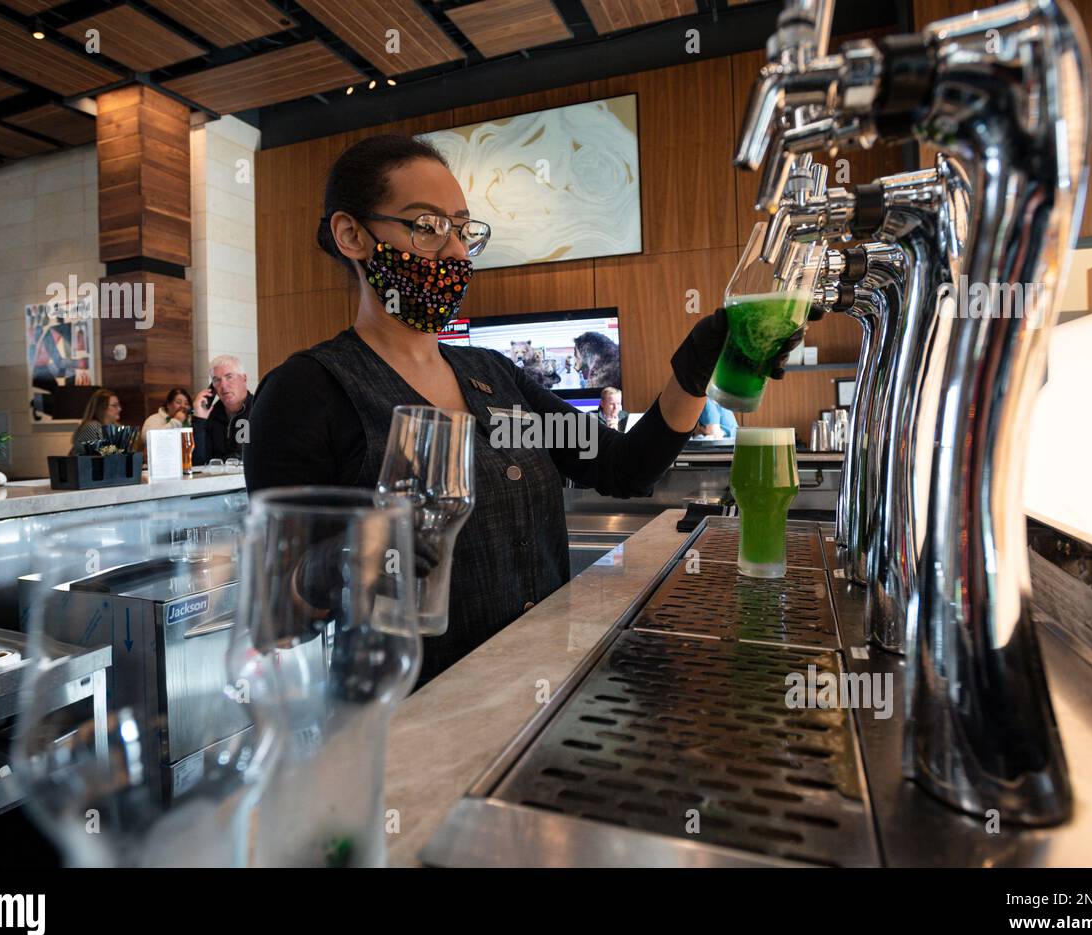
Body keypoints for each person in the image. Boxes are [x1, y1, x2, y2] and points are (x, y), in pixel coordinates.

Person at [244, 133, 803, 684]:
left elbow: (627, 468)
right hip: (408, 725)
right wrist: (339, 562)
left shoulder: (495, 376)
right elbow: (276, 619)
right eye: (428, 227)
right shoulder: (306, 391)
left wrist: (696, 365)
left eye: (462, 230)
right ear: (352, 235)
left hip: (537, 701)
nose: (457, 253)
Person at [192, 356, 253, 464]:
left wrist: (215, 462)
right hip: (215, 480)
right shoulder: (211, 415)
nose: (223, 386)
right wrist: (199, 420)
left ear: (244, 378)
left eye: (229, 377)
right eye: (216, 380)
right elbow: (198, 462)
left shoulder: (258, 410)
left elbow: (244, 458)